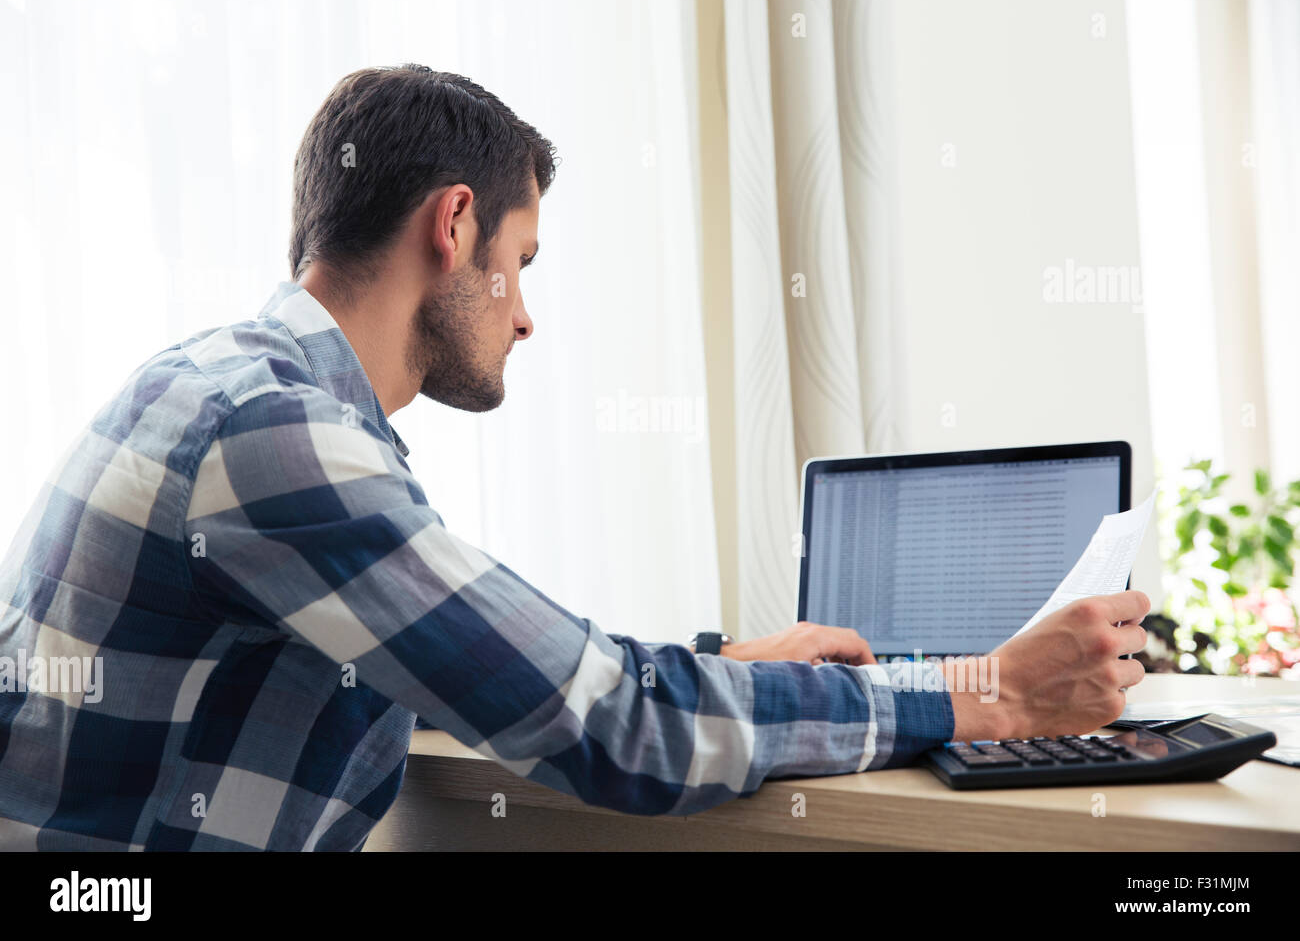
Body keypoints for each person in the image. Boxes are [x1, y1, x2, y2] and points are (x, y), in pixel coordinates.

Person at [0, 65, 1149, 851]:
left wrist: (727, 661)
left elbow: (485, 664)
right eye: (523, 261)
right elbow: (613, 727)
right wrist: (975, 688)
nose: (527, 315)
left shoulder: (203, 384)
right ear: (453, 227)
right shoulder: (273, 437)